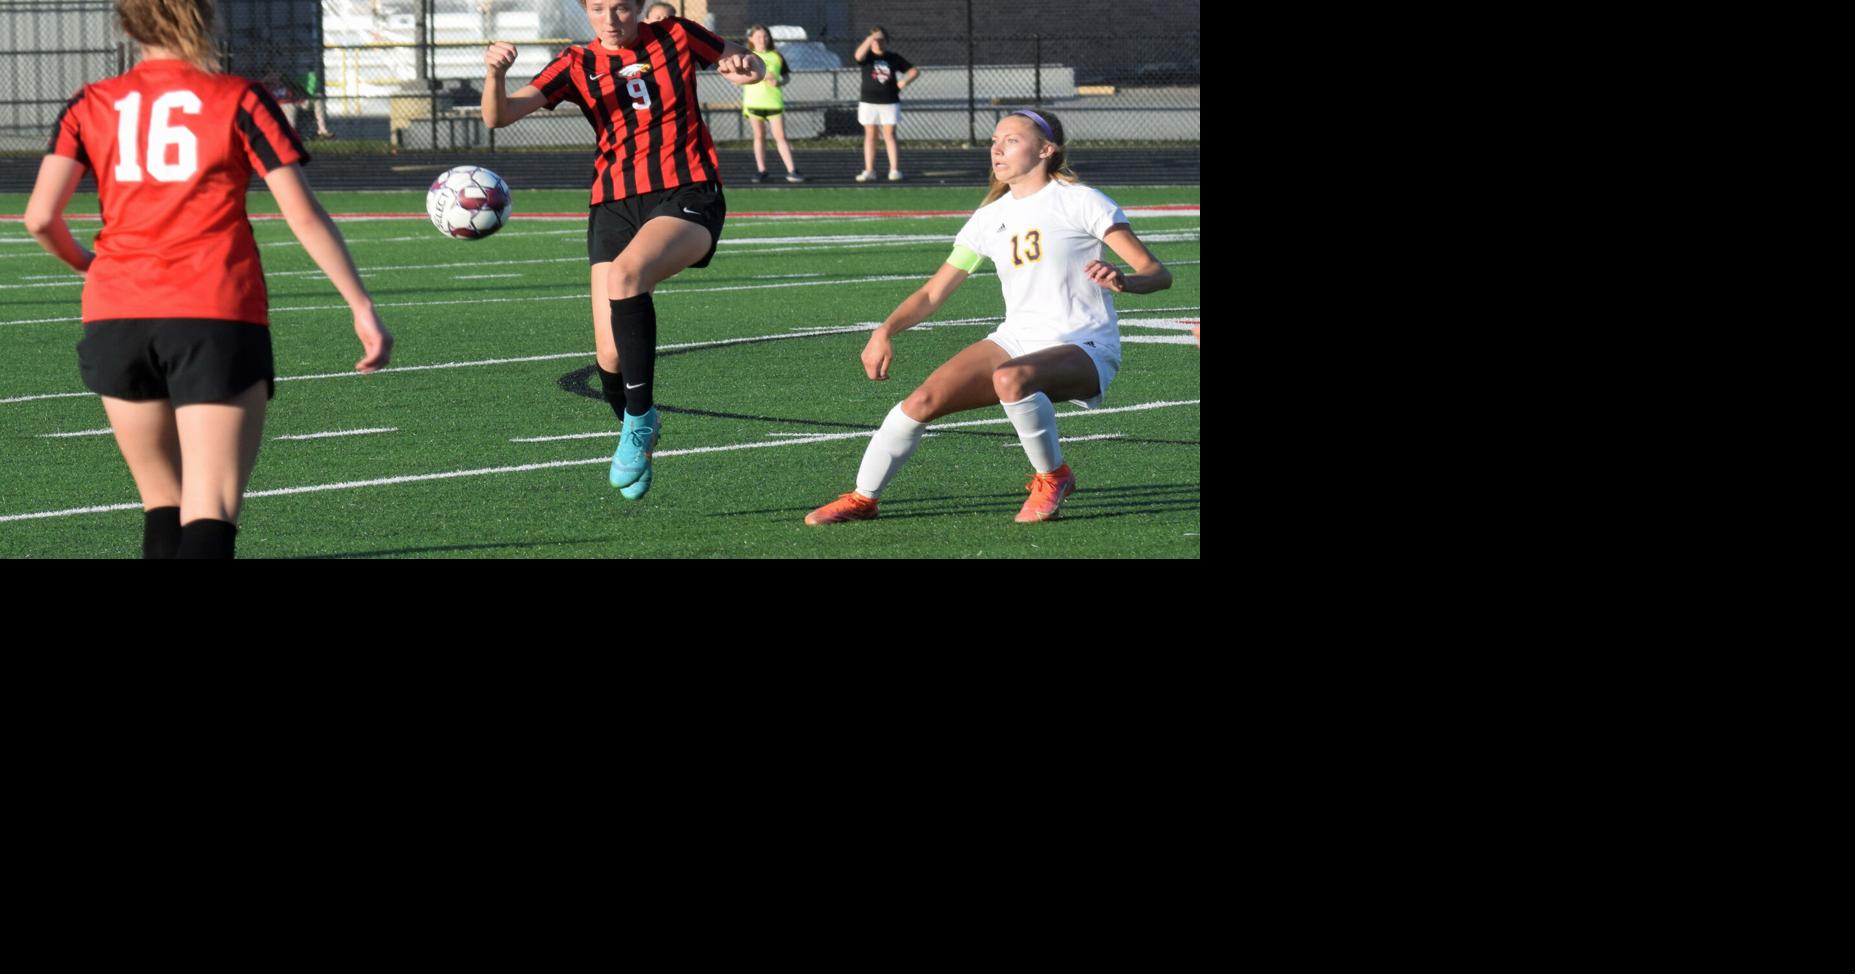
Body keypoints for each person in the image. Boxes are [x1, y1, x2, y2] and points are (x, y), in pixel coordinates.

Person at [25, 0, 390, 559]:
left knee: (162, 505)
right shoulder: (240, 99)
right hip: (213, 310)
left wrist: (89, 265)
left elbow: (40, 218)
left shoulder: (90, 103)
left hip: (116, 312)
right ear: (205, 20)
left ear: (125, 24)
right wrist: (359, 303)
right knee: (210, 511)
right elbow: (302, 213)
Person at [805, 110, 1170, 526]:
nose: (997, 148)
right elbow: (932, 292)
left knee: (1010, 378)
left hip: (1086, 346)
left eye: (1012, 140)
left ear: (1046, 150)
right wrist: (885, 330)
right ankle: (862, 499)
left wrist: (1125, 281)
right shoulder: (988, 218)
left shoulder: (1081, 201)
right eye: (995, 140)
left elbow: (1158, 274)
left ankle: (1053, 477)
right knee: (919, 403)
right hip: (1016, 339)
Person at [481, 0, 765, 499]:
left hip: (687, 191)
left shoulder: (676, 34)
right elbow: (499, 116)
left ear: (638, 9)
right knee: (609, 357)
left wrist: (746, 66)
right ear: (585, 11)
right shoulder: (575, 62)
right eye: (598, 9)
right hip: (612, 205)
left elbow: (745, 61)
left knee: (627, 277)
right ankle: (640, 431)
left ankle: (639, 421)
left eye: (621, 8)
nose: (611, 19)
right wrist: (494, 74)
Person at [742, 24, 806, 183]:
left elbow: (786, 77)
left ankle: (792, 170)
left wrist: (778, 81)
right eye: (758, 37)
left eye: (765, 36)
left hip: (774, 102)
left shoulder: (777, 56)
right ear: (750, 39)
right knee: (759, 136)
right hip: (754, 102)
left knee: (781, 136)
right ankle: (761, 170)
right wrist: (760, 76)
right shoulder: (747, 56)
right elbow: (739, 78)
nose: (762, 40)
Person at [852, 27, 916, 182]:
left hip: (889, 100)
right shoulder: (867, 57)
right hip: (868, 101)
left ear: (886, 41)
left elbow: (914, 71)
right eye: (875, 39)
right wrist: (869, 38)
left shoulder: (893, 58)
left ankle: (894, 169)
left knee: (889, 135)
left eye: (881, 39)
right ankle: (869, 170)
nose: (878, 42)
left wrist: (904, 82)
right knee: (870, 135)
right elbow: (858, 56)